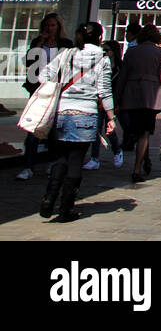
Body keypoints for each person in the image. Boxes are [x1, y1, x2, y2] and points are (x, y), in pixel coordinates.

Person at [38, 22, 117, 222]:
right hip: (86, 113)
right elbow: (105, 92)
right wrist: (111, 118)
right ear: (100, 38)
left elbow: (42, 75)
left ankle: (49, 198)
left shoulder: (67, 54)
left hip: (62, 111)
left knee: (60, 157)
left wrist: (59, 87)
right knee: (76, 160)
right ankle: (66, 208)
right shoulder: (103, 59)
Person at [118, 24, 161, 182]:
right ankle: (137, 168)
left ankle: (144, 160)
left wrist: (116, 99)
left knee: (139, 132)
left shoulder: (131, 52)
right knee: (144, 133)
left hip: (132, 96)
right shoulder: (160, 53)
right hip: (150, 97)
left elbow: (122, 77)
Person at [15, 14, 74, 181]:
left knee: (53, 129)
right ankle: (28, 166)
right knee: (33, 127)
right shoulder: (37, 43)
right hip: (38, 89)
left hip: (56, 89)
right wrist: (40, 43)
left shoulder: (65, 44)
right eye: (47, 25)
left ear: (58, 27)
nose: (49, 28)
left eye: (53, 25)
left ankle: (52, 162)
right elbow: (28, 62)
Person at [85, 39, 125, 171]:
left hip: (111, 103)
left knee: (109, 131)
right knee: (96, 130)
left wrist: (118, 103)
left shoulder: (120, 68)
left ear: (113, 52)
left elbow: (121, 87)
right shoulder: (99, 64)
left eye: (107, 50)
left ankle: (117, 150)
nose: (104, 52)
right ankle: (94, 158)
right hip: (98, 101)